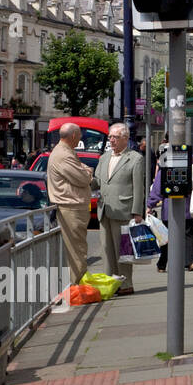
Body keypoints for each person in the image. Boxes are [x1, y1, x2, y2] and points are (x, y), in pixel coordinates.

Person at [91, 122, 145, 294]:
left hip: (124, 210)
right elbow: (97, 182)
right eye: (110, 137)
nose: (111, 140)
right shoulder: (104, 157)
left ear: (125, 138)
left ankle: (126, 284)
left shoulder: (135, 158)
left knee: (124, 251)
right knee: (107, 251)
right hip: (105, 209)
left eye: (115, 137)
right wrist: (85, 178)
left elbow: (139, 188)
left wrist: (137, 212)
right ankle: (110, 283)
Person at [47, 123, 95, 284]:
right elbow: (83, 178)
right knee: (77, 251)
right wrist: (87, 173)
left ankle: (76, 284)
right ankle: (77, 286)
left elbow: (82, 171)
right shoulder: (63, 154)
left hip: (73, 206)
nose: (81, 137)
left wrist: (85, 171)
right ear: (73, 136)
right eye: (80, 134)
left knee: (77, 249)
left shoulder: (66, 152)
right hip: (71, 207)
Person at [148, 149, 193, 273]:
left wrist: (150, 205)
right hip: (187, 210)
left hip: (169, 210)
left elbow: (157, 190)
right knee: (188, 236)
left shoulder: (165, 170)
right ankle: (190, 261)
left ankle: (162, 264)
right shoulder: (192, 168)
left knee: (166, 238)